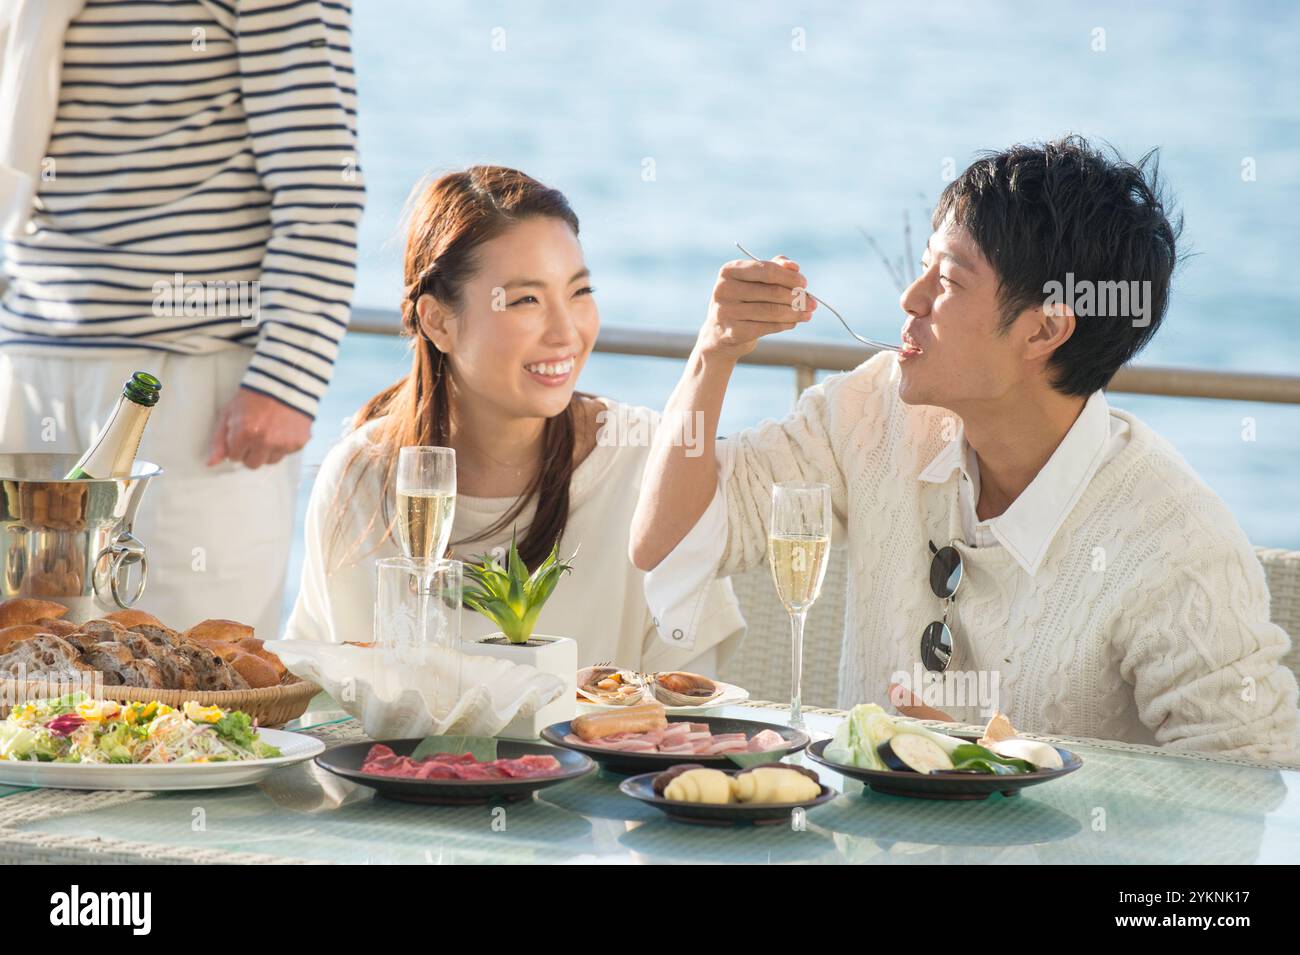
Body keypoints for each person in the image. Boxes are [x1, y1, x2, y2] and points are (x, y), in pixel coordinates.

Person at [631, 135, 1299, 762]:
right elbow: (667, 538)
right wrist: (714, 349)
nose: (910, 297)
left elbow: (1246, 800)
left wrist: (995, 764)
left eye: (945, 280)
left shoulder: (1177, 546)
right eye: (923, 267)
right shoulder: (874, 411)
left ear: (1043, 329)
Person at [0, 0, 365, 639]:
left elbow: (321, 184)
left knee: (186, 674)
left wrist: (286, 380)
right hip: (27, 360)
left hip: (188, 384)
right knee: (21, 680)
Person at [286, 165, 744, 673]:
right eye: (526, 300)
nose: (565, 332)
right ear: (437, 320)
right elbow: (323, 691)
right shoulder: (359, 475)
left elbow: (690, 704)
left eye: (579, 292)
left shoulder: (651, 461)